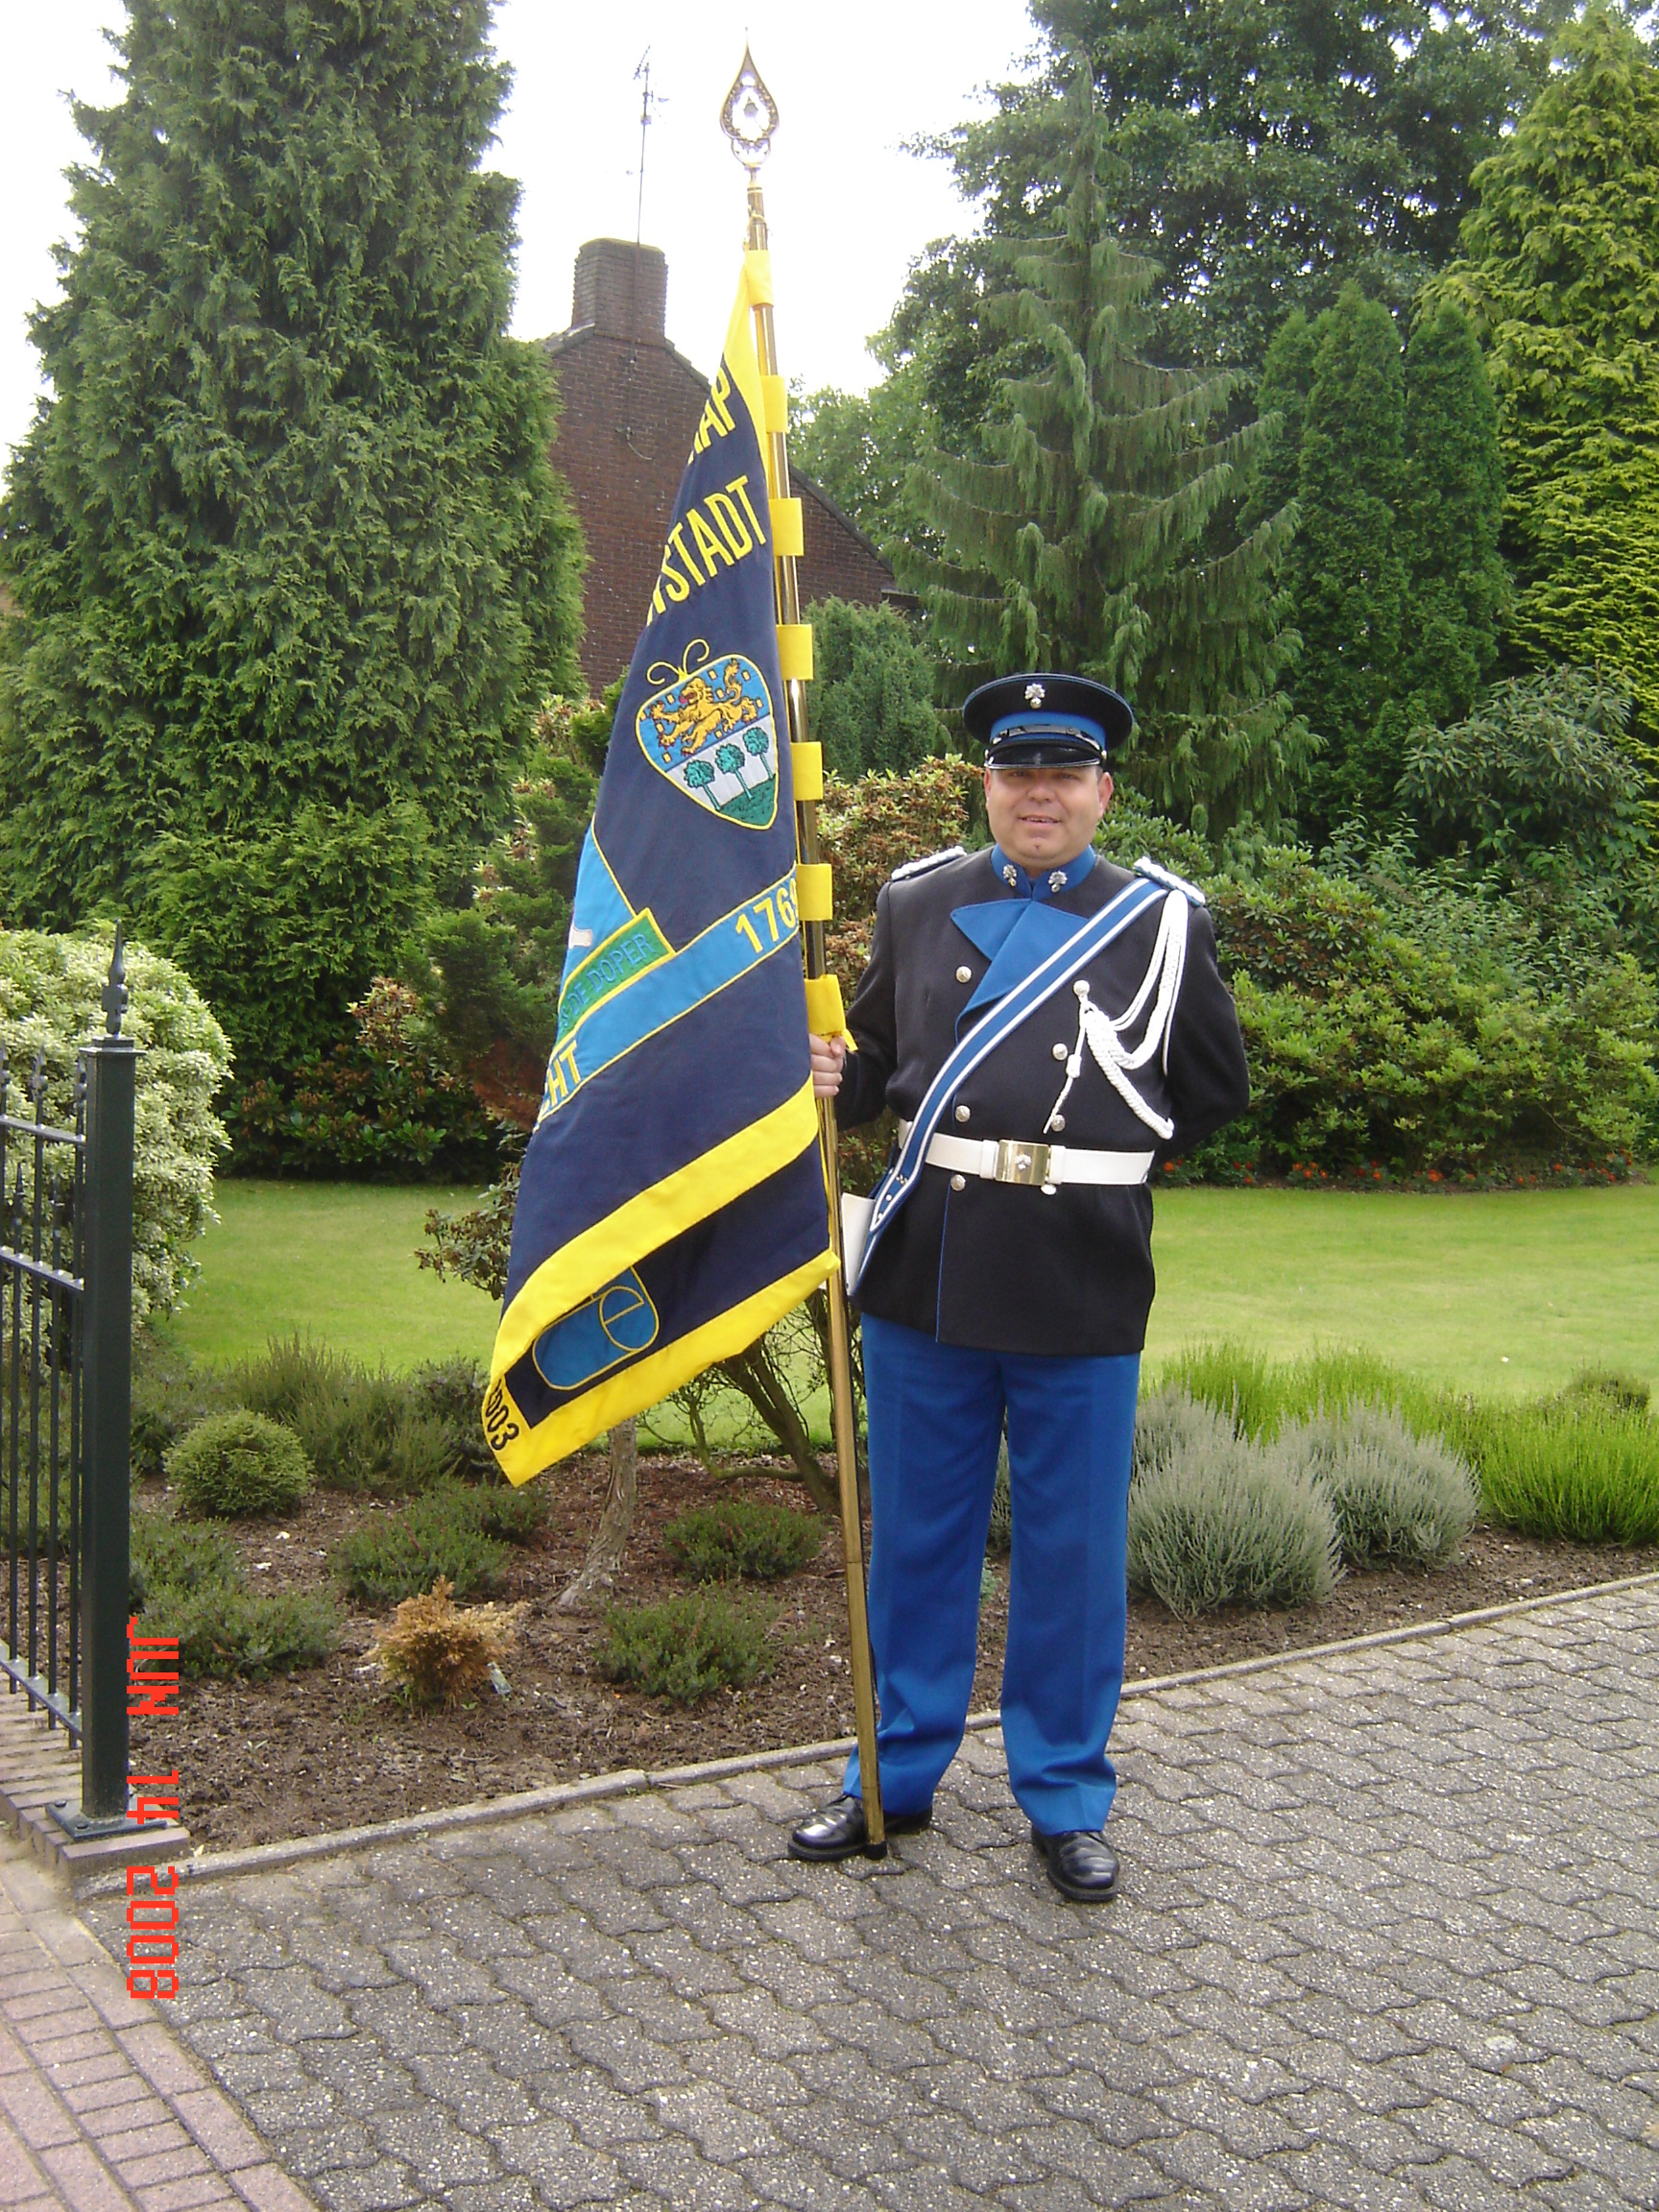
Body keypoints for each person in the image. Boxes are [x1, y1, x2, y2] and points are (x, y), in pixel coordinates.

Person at [788, 672, 1250, 1901]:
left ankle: (1064, 1793)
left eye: (1062, 774)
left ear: (1104, 789)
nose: (1037, 794)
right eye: (1015, 772)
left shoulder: (1158, 922)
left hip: (1081, 1272)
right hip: (929, 1265)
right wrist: (836, 1066)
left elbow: (1210, 1091)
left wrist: (1099, 1164)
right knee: (918, 1544)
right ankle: (893, 1776)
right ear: (985, 785)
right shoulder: (917, 902)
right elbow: (881, 1056)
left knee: (1073, 1553)